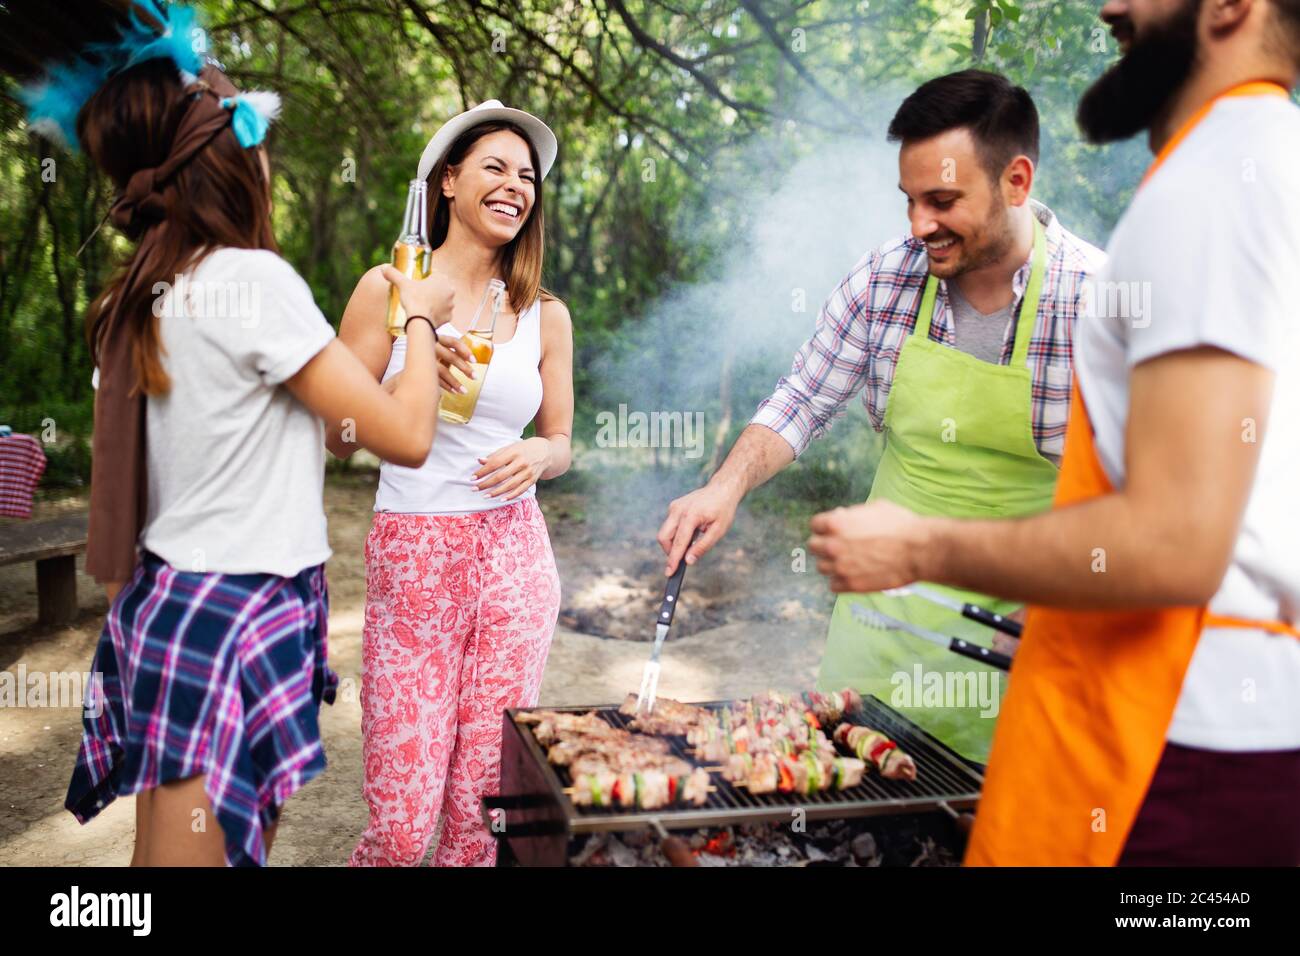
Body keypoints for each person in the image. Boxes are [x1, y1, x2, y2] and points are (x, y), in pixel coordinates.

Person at [809, 0, 1300, 865]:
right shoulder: (1257, 163)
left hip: (1177, 750)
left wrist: (920, 548)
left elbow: (1177, 540)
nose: (1109, 3)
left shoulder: (1215, 186)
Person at [8, 0, 455, 866]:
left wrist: (402, 374)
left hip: (176, 603)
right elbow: (400, 435)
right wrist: (424, 319)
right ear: (235, 163)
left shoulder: (137, 297)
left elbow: (318, 417)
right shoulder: (251, 281)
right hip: (233, 611)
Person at [658, 70, 1104, 765]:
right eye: (910, 201)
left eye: (942, 200)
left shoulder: (1097, 303)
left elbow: (1150, 495)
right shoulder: (885, 280)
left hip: (1023, 641)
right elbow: (804, 396)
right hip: (883, 629)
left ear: (1016, 181)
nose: (919, 224)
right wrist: (727, 485)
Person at [327, 101, 573, 867]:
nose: (514, 186)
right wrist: (414, 367)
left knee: (481, 813)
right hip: (416, 549)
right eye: (495, 167)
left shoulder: (546, 314)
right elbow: (331, 430)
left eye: (527, 176)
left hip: (516, 559)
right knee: (400, 825)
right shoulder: (389, 289)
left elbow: (562, 439)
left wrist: (541, 455)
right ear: (448, 183)